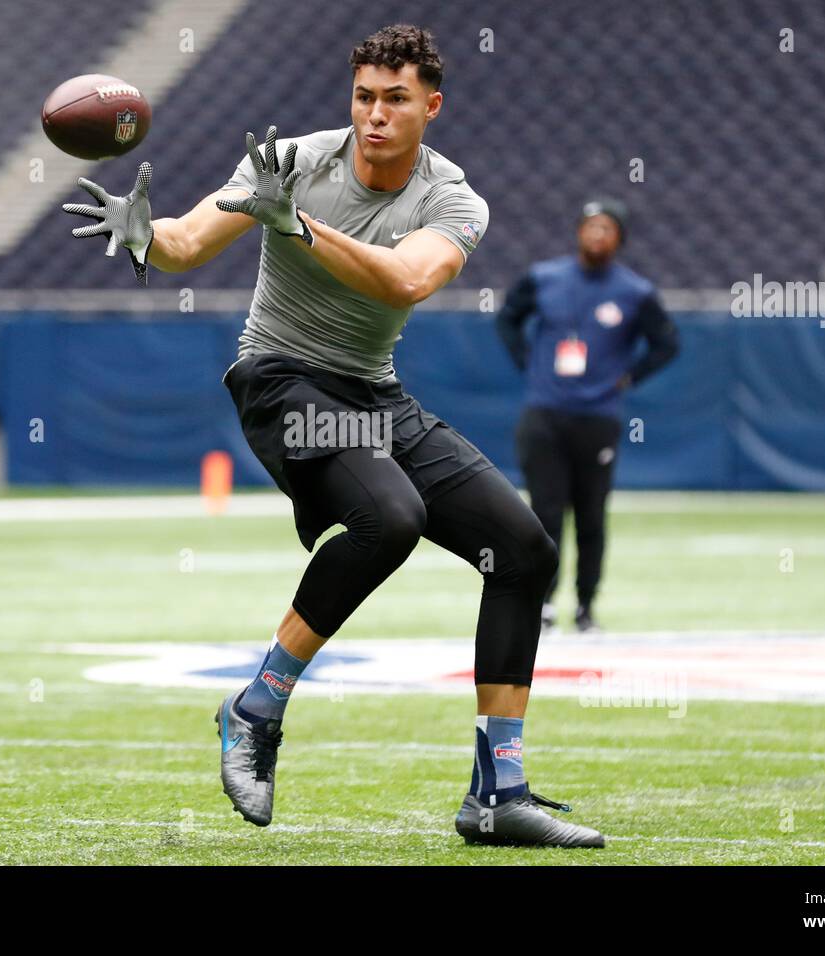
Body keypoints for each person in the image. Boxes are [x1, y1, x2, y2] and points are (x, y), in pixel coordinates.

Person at [63, 24, 604, 848]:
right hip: (281, 380)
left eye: (394, 99)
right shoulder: (293, 165)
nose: (375, 115)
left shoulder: (454, 199)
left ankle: (499, 791)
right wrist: (146, 235)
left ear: (432, 105)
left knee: (523, 551)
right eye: (363, 97)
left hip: (373, 392)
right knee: (392, 518)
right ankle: (256, 707)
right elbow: (185, 240)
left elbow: (407, 278)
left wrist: (300, 229)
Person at [496, 199, 680, 634]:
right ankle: (542, 604)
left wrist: (628, 377)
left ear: (619, 238)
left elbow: (667, 343)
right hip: (545, 414)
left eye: (607, 228)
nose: (598, 235)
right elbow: (507, 318)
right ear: (578, 231)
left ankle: (585, 606)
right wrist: (528, 363)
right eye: (591, 226)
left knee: (592, 515)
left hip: (597, 418)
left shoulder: (635, 292)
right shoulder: (544, 277)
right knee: (544, 514)